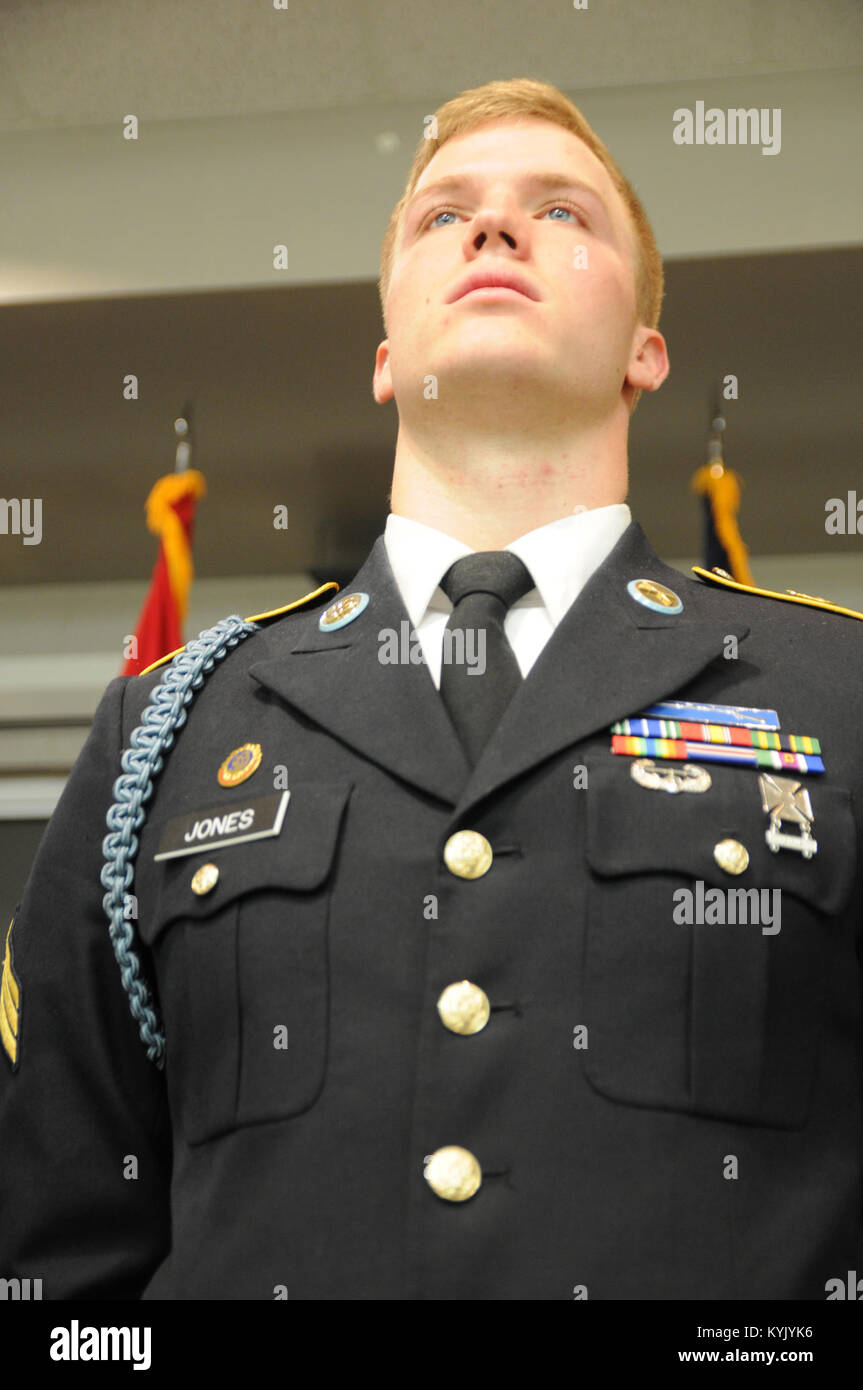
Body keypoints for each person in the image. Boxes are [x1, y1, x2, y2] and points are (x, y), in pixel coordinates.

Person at [1, 76, 861, 1302]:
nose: (494, 228)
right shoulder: (166, 732)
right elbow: (59, 1262)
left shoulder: (838, 692)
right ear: (385, 355)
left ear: (645, 351)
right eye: (441, 213)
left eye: (560, 213)